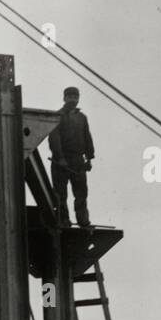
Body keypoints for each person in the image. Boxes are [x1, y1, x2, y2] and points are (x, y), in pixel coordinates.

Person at [48, 86, 95, 228]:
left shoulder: (82, 118)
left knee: (81, 193)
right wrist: (60, 157)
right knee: (60, 194)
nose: (73, 99)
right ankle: (63, 220)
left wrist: (89, 158)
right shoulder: (57, 116)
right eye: (70, 96)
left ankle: (83, 221)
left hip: (78, 161)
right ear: (64, 98)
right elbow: (54, 139)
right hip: (60, 161)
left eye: (75, 96)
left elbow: (87, 138)